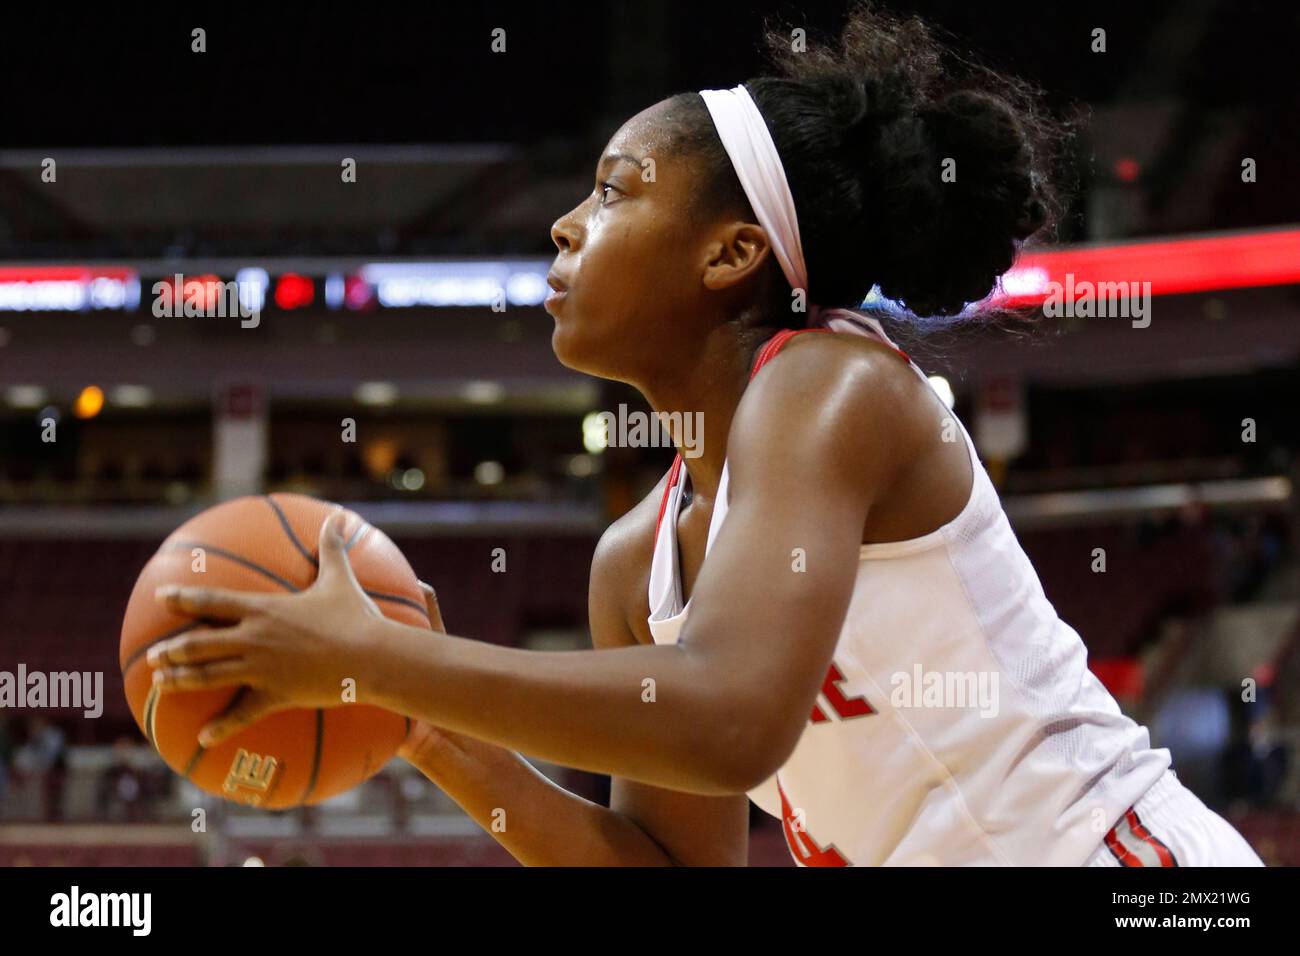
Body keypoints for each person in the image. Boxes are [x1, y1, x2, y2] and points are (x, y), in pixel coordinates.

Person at [147, 3, 1263, 866]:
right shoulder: (636, 561)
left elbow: (732, 719)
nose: (563, 222)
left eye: (613, 190)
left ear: (729, 254)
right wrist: (425, 727)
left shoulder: (831, 382)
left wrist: (383, 654)